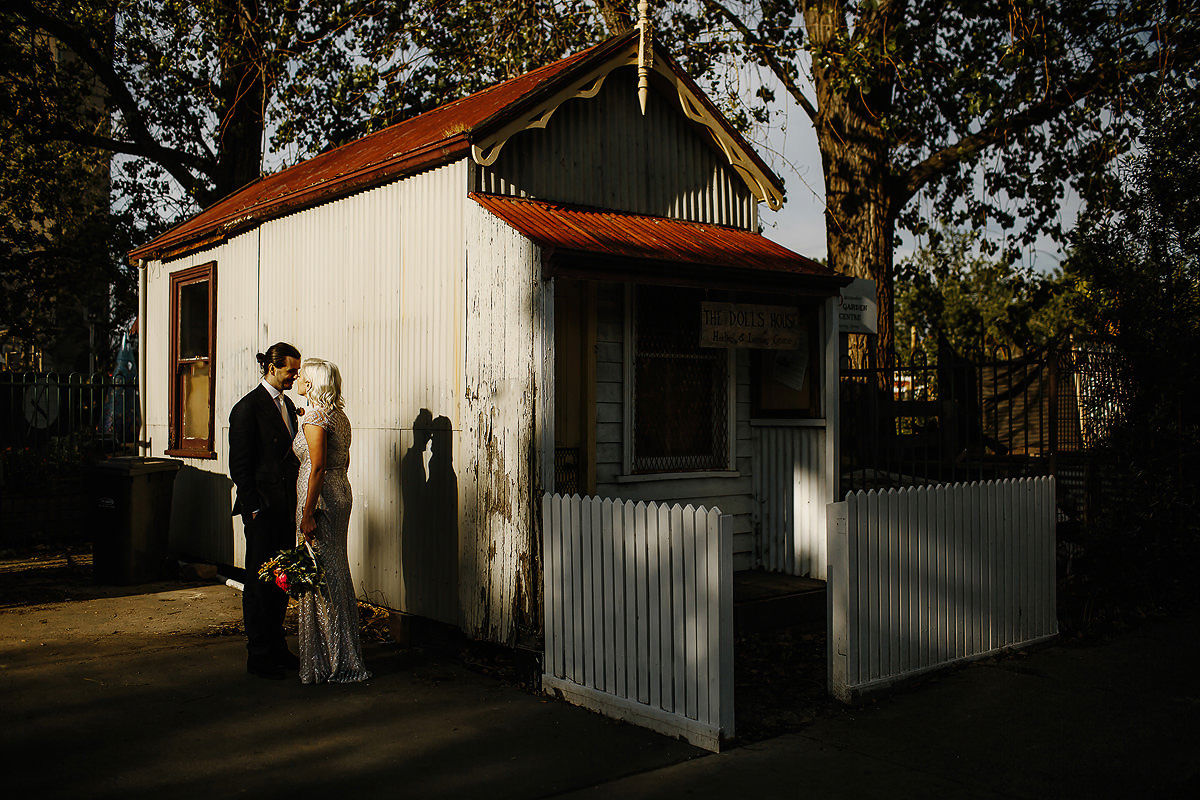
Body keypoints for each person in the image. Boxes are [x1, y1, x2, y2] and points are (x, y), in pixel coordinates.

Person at [293, 358, 370, 684]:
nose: (296, 378)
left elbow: (317, 468)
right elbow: (343, 460)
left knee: (319, 578)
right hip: (340, 493)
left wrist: (308, 512)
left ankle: (329, 660)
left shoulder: (315, 418)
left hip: (321, 500)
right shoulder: (339, 416)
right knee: (335, 571)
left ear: (311, 384)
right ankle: (342, 652)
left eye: (301, 376)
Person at [229, 342, 303, 680]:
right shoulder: (247, 408)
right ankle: (258, 655)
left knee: (281, 579)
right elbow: (240, 466)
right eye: (290, 371)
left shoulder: (287, 404)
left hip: (286, 507)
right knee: (259, 583)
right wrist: (252, 508)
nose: (295, 376)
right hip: (263, 509)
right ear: (272, 368)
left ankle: (277, 647)